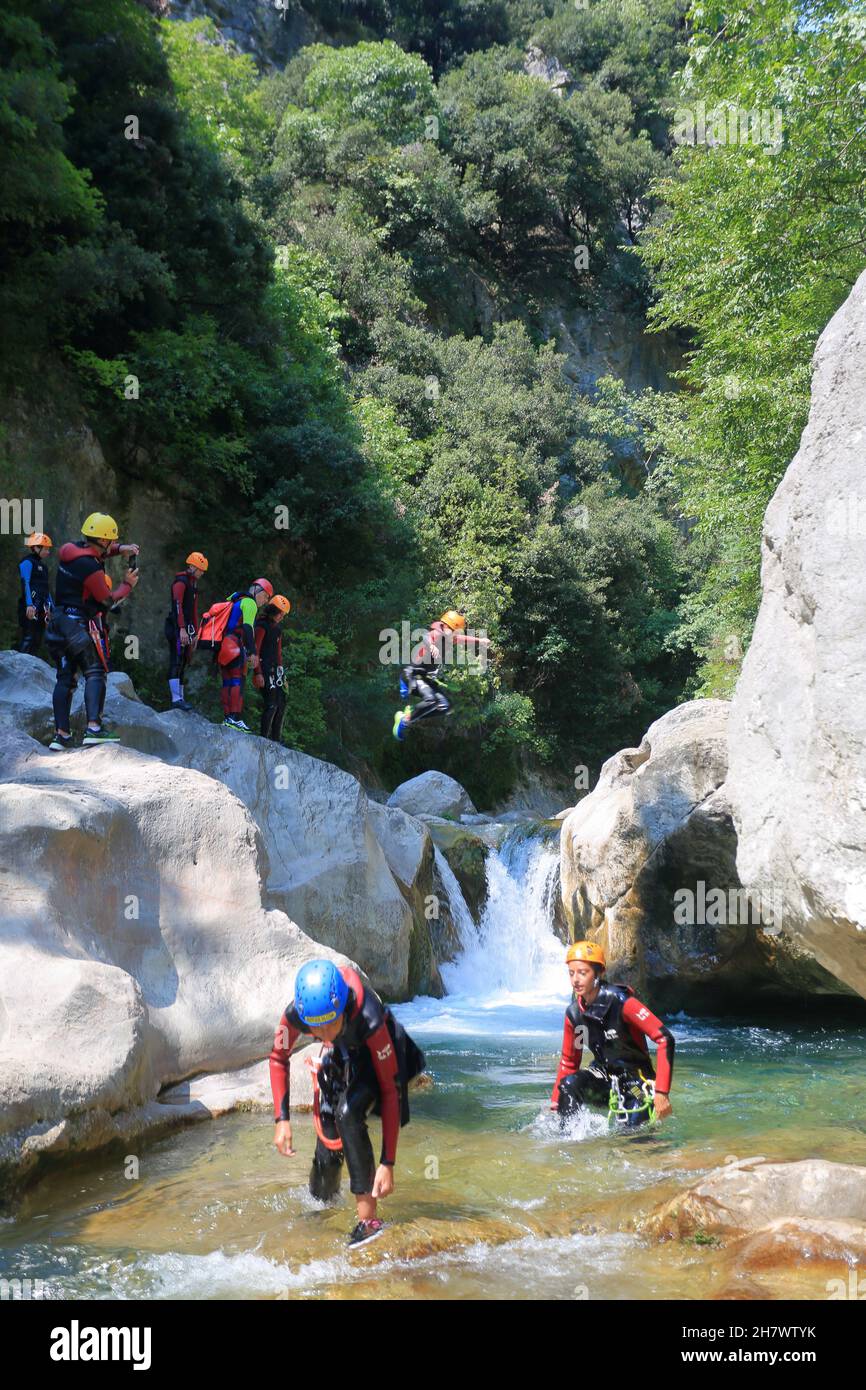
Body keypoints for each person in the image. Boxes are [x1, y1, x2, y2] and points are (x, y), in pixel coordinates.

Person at [269, 958, 426, 1247]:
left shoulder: (369, 1016)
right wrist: (282, 1119)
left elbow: (391, 1092)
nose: (323, 1035)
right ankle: (320, 1208)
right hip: (343, 1055)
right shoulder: (295, 1015)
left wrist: (387, 1163)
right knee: (328, 1140)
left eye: (330, 1025)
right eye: (316, 1029)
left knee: (348, 1114)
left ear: (341, 1007)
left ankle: (369, 1221)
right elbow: (278, 1057)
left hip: (382, 1055)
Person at [550, 941, 674, 1128]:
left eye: (583, 973)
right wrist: (555, 1103)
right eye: (571, 973)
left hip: (636, 1083)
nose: (576, 979)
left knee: (634, 1136)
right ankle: (566, 1146)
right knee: (569, 1085)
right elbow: (570, 1061)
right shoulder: (575, 1015)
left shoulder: (622, 1002)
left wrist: (662, 1093)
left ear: (599, 973)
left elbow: (664, 1038)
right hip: (603, 1078)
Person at [46, 512, 139, 750]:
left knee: (65, 678)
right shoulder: (91, 568)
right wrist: (127, 584)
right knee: (96, 672)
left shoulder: (70, 551)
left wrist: (121, 548)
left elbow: (98, 551)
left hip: (59, 623)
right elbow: (108, 600)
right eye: (110, 541)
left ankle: (61, 735)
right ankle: (94, 728)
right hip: (80, 628)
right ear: (103, 540)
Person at [393, 609, 490, 740]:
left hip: (425, 679)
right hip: (413, 675)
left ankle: (411, 714)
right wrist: (432, 646)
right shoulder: (436, 634)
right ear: (447, 627)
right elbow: (427, 637)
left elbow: (464, 639)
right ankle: (405, 719)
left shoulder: (451, 637)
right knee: (431, 701)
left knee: (446, 706)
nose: (457, 634)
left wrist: (480, 641)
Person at [199, 578, 273, 732]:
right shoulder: (250, 603)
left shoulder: (235, 601)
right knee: (237, 681)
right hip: (235, 646)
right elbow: (247, 628)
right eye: (265, 596)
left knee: (227, 682)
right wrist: (252, 652)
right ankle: (235, 718)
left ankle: (228, 718)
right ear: (257, 590)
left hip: (223, 647)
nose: (265, 601)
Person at [165, 551, 208, 711]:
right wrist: (182, 629)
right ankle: (175, 698)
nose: (202, 573)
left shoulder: (192, 584)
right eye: (200, 569)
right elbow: (177, 606)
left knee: (184, 661)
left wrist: (195, 633)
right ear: (192, 567)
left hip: (186, 628)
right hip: (176, 627)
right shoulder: (181, 582)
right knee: (176, 659)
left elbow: (194, 610)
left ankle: (181, 698)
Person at [252, 594, 291, 741]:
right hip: (264, 668)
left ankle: (276, 740)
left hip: (275, 670)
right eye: (280, 613)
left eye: (283, 614)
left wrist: (281, 671)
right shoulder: (262, 626)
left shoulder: (277, 630)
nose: (282, 616)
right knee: (271, 704)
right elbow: (255, 649)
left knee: (281, 704)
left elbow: (278, 651)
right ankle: (263, 739)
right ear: (274, 611)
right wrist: (258, 673)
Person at [15, 531, 54, 656]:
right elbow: (25, 583)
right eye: (46, 548)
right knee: (28, 637)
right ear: (36, 547)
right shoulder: (27, 562)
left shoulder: (44, 567)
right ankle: (20, 666)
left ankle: (31, 668)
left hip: (42, 607)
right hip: (30, 606)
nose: (48, 552)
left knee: (37, 639)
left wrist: (51, 607)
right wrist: (29, 605)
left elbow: (45, 589)